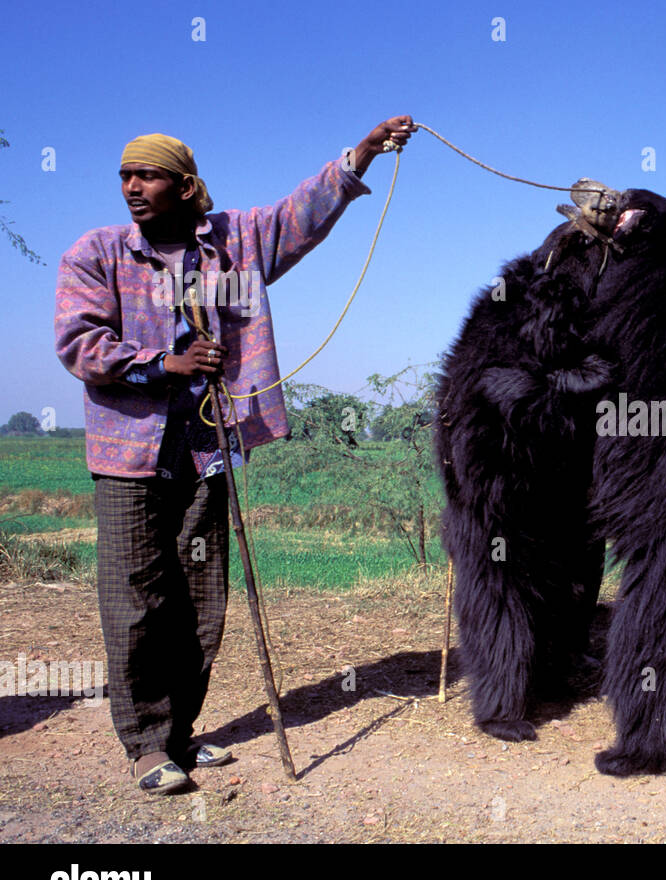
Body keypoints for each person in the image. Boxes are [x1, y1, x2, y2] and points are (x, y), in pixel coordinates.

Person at [54, 116, 415, 793]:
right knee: (134, 602)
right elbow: (79, 344)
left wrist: (360, 155)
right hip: (128, 457)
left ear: (185, 186)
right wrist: (165, 362)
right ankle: (144, 744)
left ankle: (182, 734)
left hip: (207, 450)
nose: (133, 187)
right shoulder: (98, 253)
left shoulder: (233, 243)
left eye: (148, 175)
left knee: (200, 599)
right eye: (126, 176)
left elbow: (298, 214)